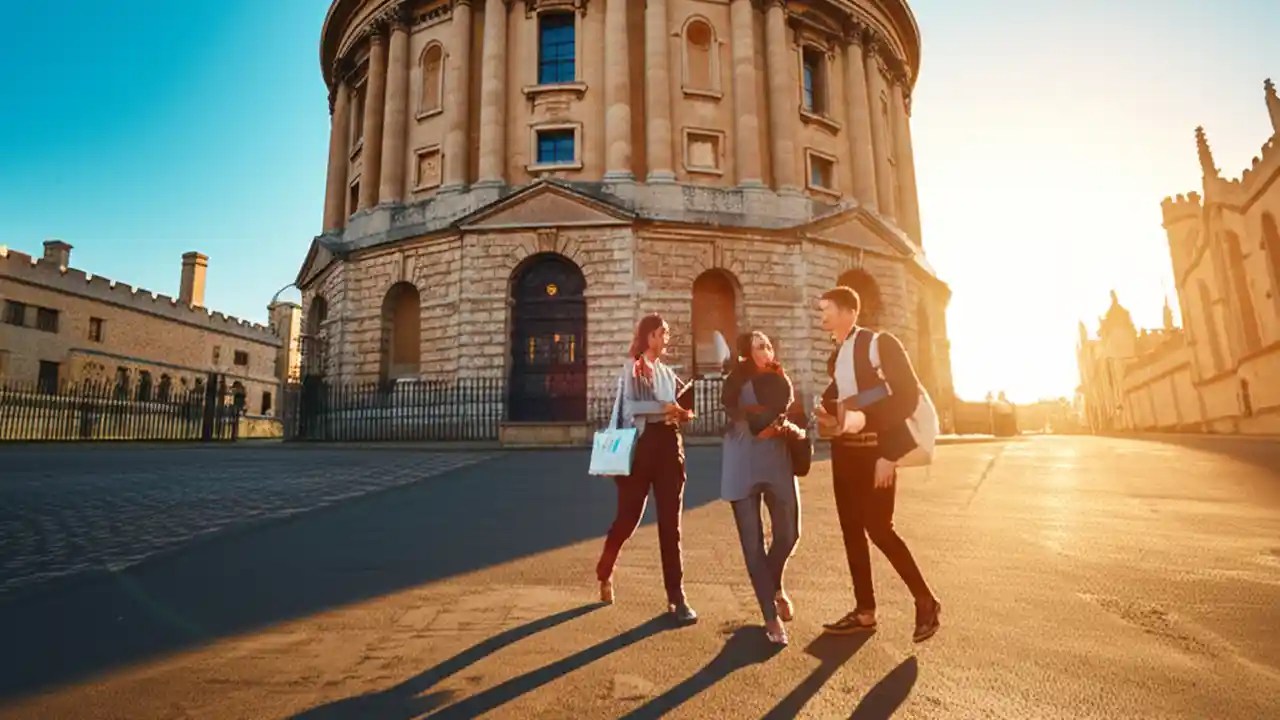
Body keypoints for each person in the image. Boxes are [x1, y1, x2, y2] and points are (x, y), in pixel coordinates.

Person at [815, 286, 942, 642]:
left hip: (876, 453)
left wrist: (890, 454)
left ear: (849, 312)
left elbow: (905, 396)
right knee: (852, 531)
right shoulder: (838, 357)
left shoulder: (880, 344)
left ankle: (925, 600)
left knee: (880, 528)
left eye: (828, 308)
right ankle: (865, 611)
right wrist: (825, 412)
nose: (822, 314)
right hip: (846, 453)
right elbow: (842, 403)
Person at [595, 313, 699, 624]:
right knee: (629, 518)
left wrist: (683, 413)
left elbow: (683, 405)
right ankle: (605, 570)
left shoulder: (668, 373)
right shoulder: (634, 368)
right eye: (663, 333)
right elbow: (631, 407)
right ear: (650, 337)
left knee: (671, 526)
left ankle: (676, 597)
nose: (667, 338)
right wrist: (663, 407)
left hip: (669, 446)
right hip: (641, 448)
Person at [721, 331, 806, 646]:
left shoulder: (781, 380)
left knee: (789, 533)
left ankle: (774, 584)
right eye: (760, 346)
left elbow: (794, 414)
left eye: (769, 345)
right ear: (746, 353)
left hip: (776, 459)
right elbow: (733, 412)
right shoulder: (735, 382)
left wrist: (791, 426)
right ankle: (770, 617)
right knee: (753, 544)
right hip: (742, 460)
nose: (768, 350)